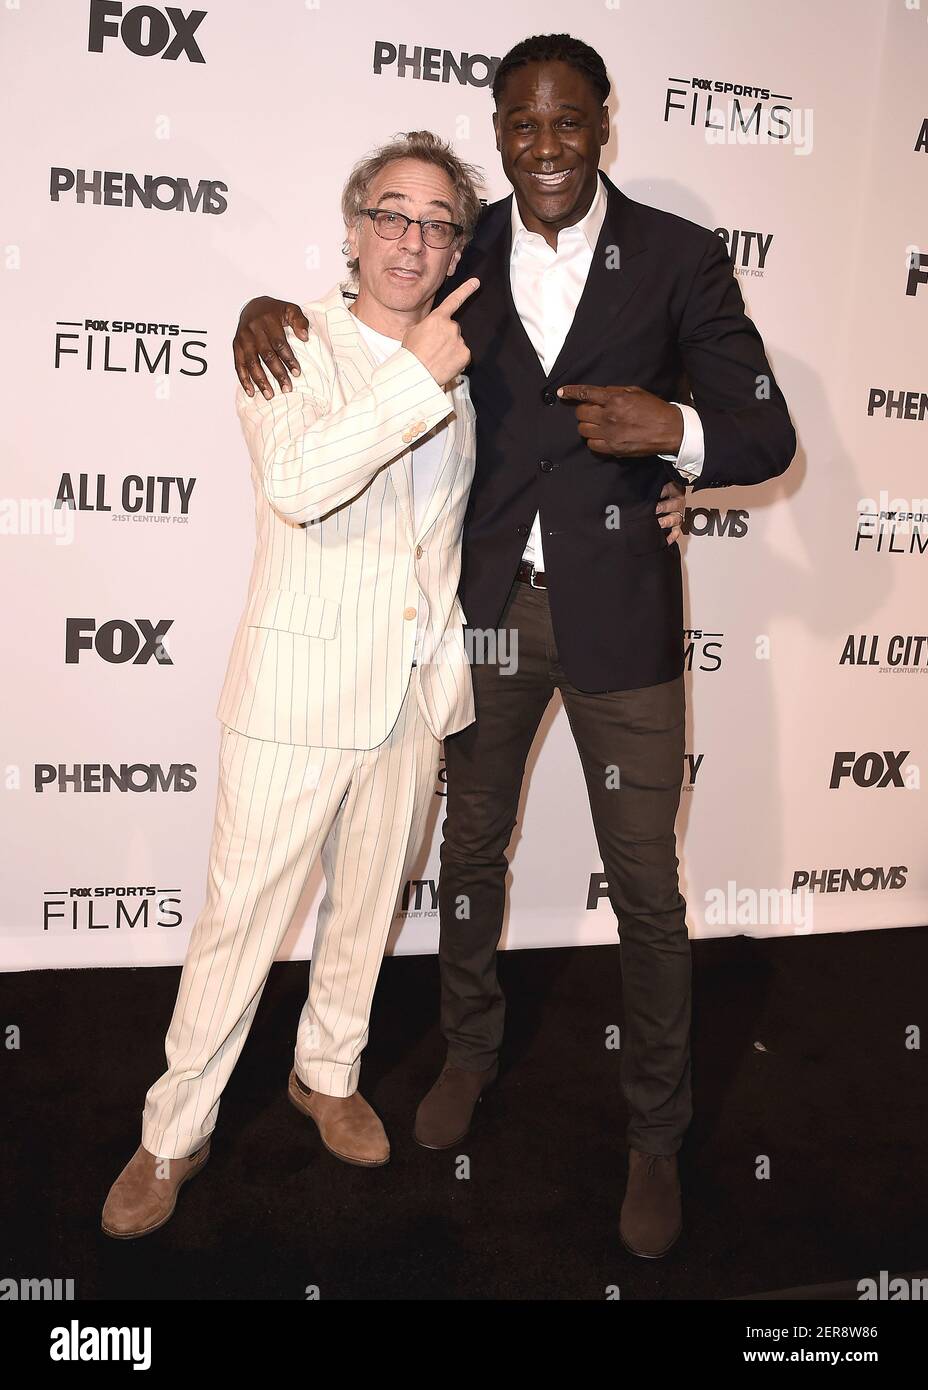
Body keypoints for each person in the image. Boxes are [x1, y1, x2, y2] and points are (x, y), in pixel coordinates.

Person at [234, 32, 789, 1260]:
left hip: (623, 616)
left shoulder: (682, 259)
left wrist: (677, 431)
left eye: (566, 122)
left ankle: (655, 1132)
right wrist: (266, 311)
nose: (543, 146)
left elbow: (763, 428)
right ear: (499, 130)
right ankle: (472, 1051)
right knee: (473, 844)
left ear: (604, 123)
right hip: (481, 614)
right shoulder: (460, 246)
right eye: (521, 126)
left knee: (647, 889)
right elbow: (361, 321)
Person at [101, 130, 486, 1239]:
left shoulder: (469, 361)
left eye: (435, 221)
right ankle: (172, 1131)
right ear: (353, 227)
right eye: (390, 214)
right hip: (295, 691)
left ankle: (327, 1069)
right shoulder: (290, 343)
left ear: (455, 240)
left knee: (364, 914)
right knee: (239, 923)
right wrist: (417, 377)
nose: (410, 240)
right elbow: (301, 482)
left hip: (411, 694)